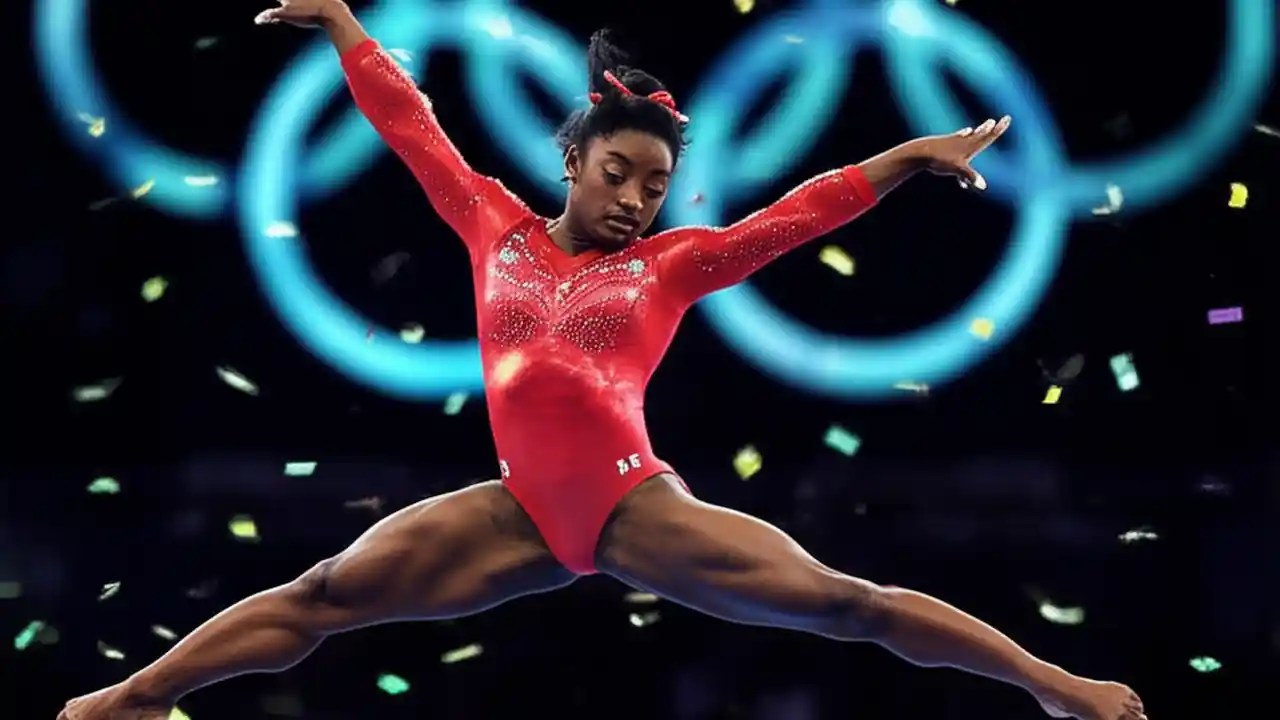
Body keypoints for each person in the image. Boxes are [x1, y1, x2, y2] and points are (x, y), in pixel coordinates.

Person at [59, 2, 1147, 719]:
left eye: (654, 187)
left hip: (633, 507)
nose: (635, 201)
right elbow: (412, 127)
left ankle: (1053, 687)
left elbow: (791, 215)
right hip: (517, 510)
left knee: (844, 601)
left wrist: (905, 156)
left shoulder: (672, 267)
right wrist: (348, 25)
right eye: (617, 174)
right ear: (571, 159)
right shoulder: (492, 225)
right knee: (318, 594)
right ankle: (138, 698)